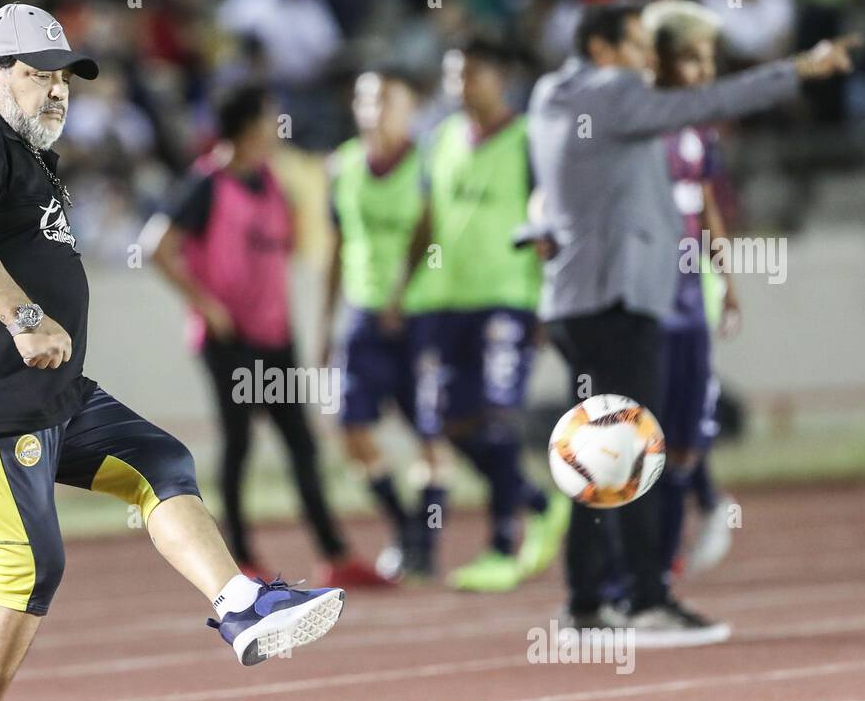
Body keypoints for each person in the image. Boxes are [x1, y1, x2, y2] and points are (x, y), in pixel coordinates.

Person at [0, 4, 346, 701]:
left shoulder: (31, 160)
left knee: (159, 460)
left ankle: (239, 604)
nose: (58, 92)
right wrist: (26, 318)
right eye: (38, 74)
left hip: (45, 390)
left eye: (65, 77)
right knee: (29, 562)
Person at [527, 0, 856, 641]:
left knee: (599, 453)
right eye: (633, 45)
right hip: (619, 301)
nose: (645, 59)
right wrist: (797, 71)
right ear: (600, 50)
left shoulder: (550, 94)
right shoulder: (615, 92)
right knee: (631, 452)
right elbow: (707, 103)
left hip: (576, 301)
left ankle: (588, 603)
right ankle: (645, 601)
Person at [147, 82, 388, 587]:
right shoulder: (205, 183)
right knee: (239, 445)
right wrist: (207, 304)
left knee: (302, 445)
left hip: (274, 337)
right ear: (248, 126)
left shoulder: (272, 183)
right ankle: (239, 559)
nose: (278, 127)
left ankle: (334, 553)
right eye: (269, 118)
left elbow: (291, 244)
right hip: (229, 340)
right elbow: (156, 248)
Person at [387, 36, 569, 593]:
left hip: (505, 299)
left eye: (471, 74)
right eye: (452, 76)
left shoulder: (528, 140)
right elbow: (426, 219)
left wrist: (547, 296)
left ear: (500, 76)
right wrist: (403, 285)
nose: (459, 86)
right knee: (447, 422)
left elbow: (551, 220)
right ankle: (539, 502)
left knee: (494, 416)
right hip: (444, 301)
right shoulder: (438, 140)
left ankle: (501, 547)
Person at [320, 68, 450, 579]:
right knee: (349, 427)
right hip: (361, 311)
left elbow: (432, 235)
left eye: (387, 101)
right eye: (367, 100)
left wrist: (403, 293)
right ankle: (404, 526)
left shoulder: (429, 163)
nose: (375, 111)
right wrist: (328, 320)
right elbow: (336, 244)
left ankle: (427, 545)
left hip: (420, 313)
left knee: (428, 431)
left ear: (409, 109)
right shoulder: (343, 165)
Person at [641, 0, 741, 584]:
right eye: (693, 58)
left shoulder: (697, 127)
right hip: (642, 293)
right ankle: (660, 545)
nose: (705, 71)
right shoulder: (631, 120)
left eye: (709, 59)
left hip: (688, 292)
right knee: (645, 424)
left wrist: (726, 282)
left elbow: (706, 210)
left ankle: (665, 553)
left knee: (681, 425)